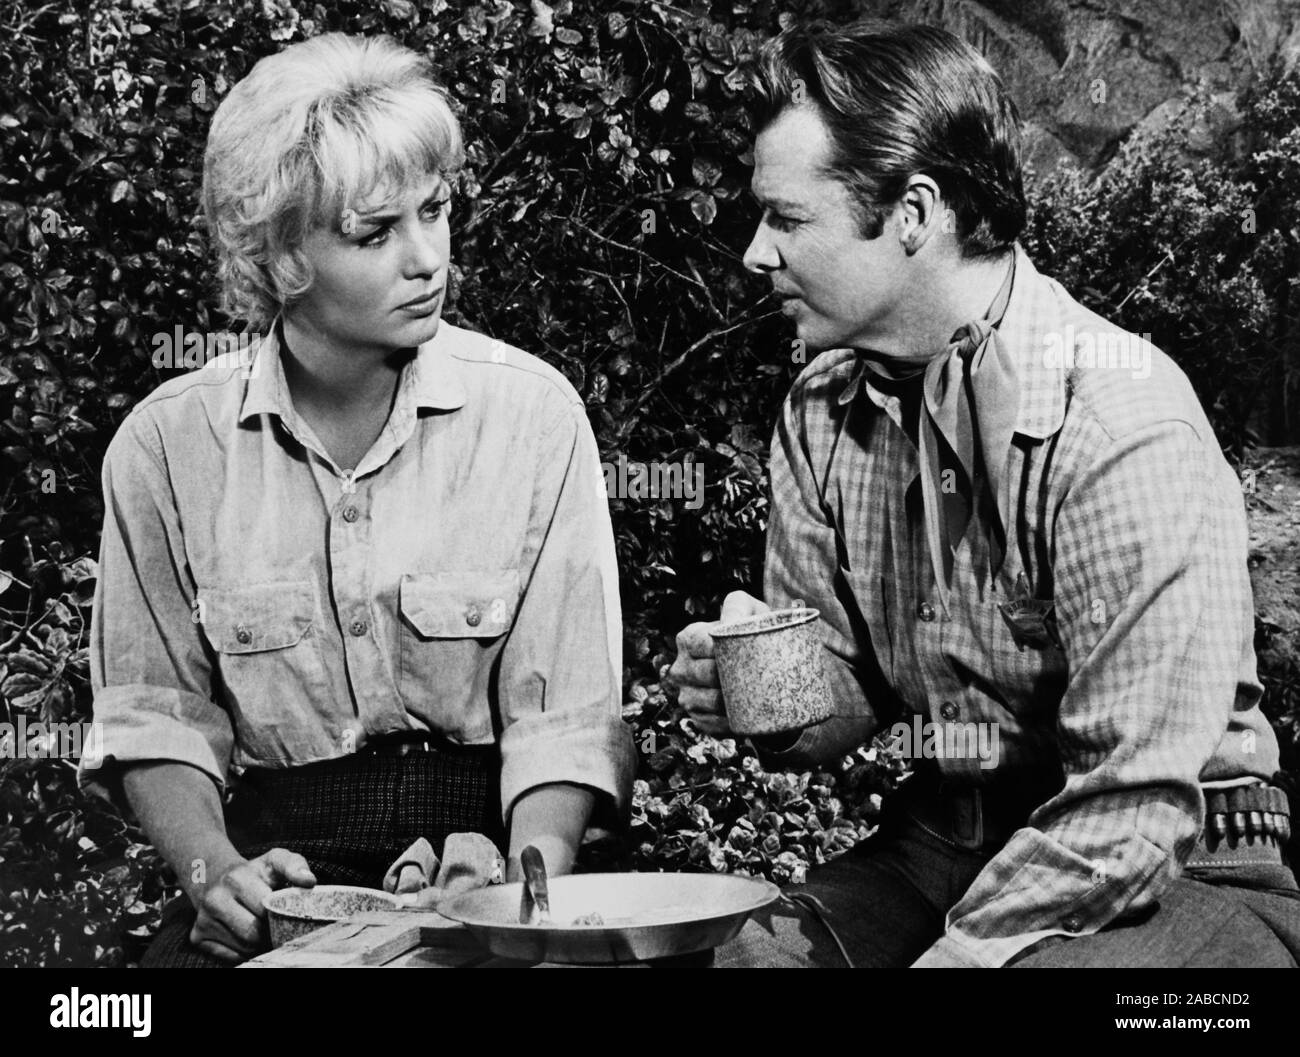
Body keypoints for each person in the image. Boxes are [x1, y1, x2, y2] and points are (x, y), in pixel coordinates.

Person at [669, 20, 1300, 967]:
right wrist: (760, 695)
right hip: (954, 840)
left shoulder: (1117, 424)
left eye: (788, 219)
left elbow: (1130, 809)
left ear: (915, 212)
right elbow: (842, 697)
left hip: (1181, 857)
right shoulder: (819, 408)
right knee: (751, 961)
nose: (756, 252)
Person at [78, 33, 634, 966]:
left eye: (437, 209)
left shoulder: (535, 416)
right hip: (281, 872)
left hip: (495, 855)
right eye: (377, 233)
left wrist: (525, 889)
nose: (428, 259)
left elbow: (566, 723)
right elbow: (157, 715)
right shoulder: (168, 446)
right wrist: (218, 877)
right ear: (280, 255)